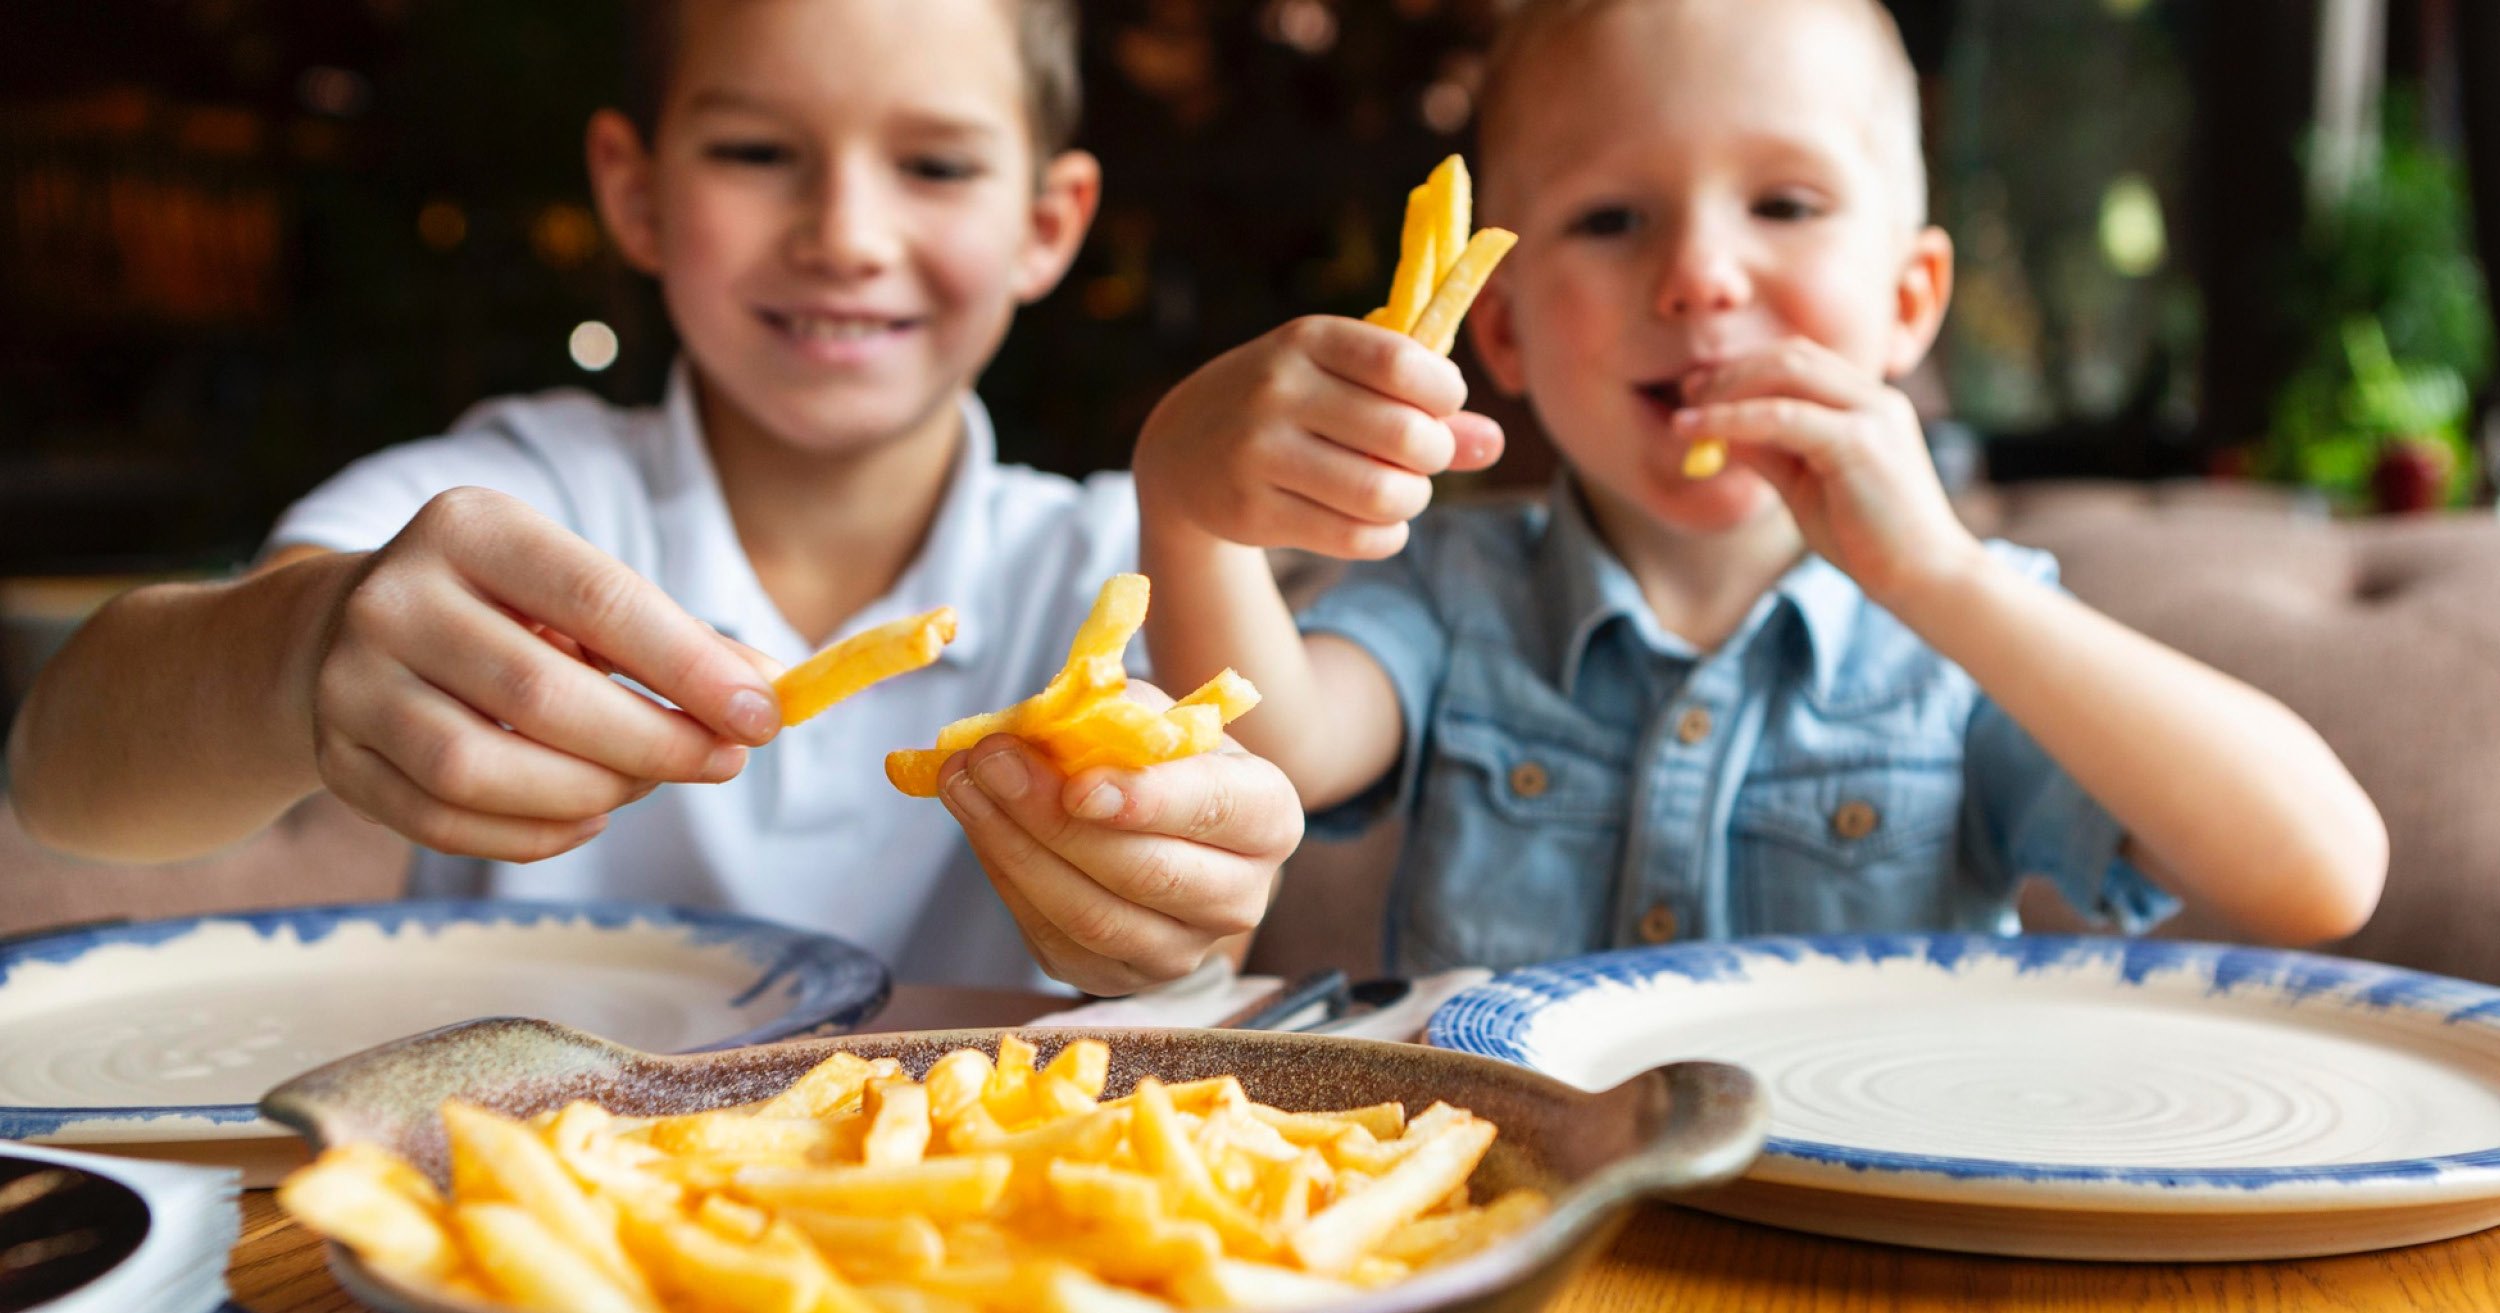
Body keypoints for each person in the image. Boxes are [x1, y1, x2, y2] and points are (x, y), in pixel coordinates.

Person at [7, 0, 1300, 995]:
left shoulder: (1118, 566)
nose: (845, 231)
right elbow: (59, 771)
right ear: (633, 190)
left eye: (937, 166)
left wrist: (1182, 896)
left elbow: (1245, 868)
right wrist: (299, 657)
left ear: (1048, 221)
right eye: (755, 150)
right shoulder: (516, 499)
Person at [1131, 0, 2386, 974]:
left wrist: (1942, 578)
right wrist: (1188, 513)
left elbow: (2319, 872)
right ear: (1501, 334)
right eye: (1612, 220)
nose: (1699, 276)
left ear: (1907, 304)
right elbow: (1267, 761)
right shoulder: (1457, 595)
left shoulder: (1964, 638)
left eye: (1783, 203)